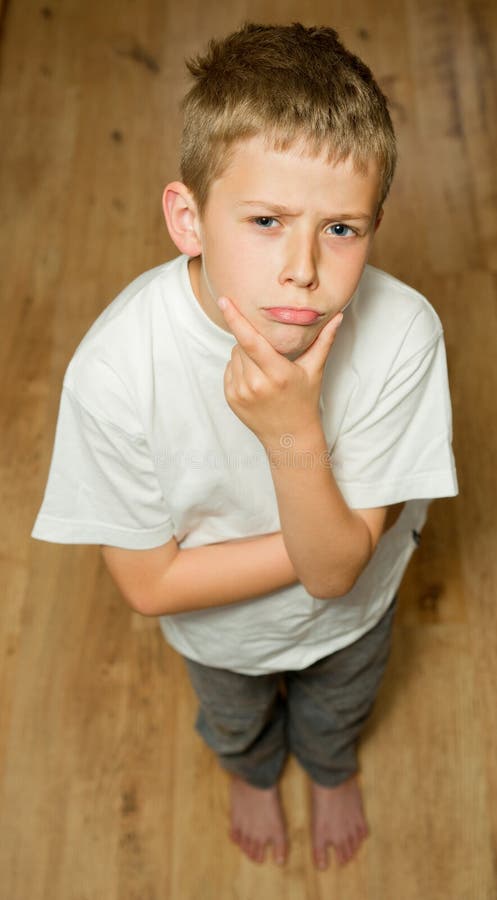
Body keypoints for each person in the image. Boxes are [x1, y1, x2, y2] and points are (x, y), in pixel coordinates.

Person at [32, 22, 458, 871]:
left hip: (353, 616)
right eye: (265, 220)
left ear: (374, 222)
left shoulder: (403, 332)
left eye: (341, 229)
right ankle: (253, 773)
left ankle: (331, 769)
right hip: (218, 640)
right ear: (188, 219)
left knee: (341, 706)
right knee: (234, 720)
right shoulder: (115, 370)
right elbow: (151, 586)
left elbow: (339, 579)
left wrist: (293, 436)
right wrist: (325, 535)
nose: (303, 268)